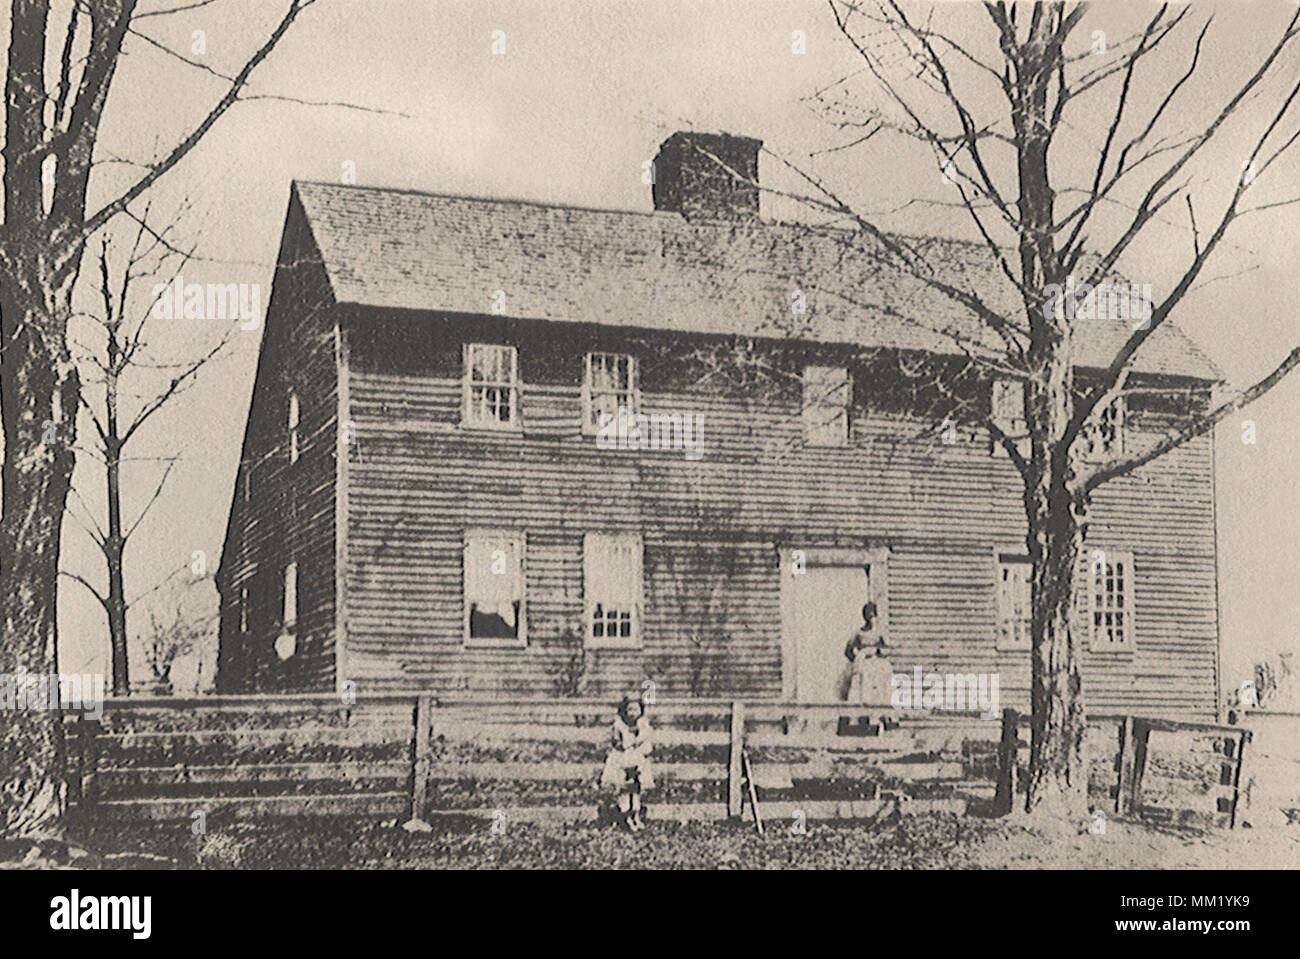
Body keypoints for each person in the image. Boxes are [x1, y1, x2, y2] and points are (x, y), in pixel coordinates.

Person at [600, 695, 655, 830]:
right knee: (624, 789)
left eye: (636, 709)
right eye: (629, 709)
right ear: (624, 711)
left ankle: (635, 815)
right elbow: (617, 744)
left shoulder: (643, 726)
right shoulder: (619, 725)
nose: (633, 713)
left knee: (636, 789)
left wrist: (639, 744)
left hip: (637, 760)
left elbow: (646, 746)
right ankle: (625, 816)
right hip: (622, 760)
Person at [842, 602, 893, 705]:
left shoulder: (879, 633)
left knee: (879, 687)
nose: (871, 619)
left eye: (873, 615)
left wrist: (878, 652)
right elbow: (848, 650)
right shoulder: (858, 633)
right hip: (863, 663)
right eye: (868, 615)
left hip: (876, 663)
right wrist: (857, 658)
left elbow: (888, 649)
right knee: (862, 687)